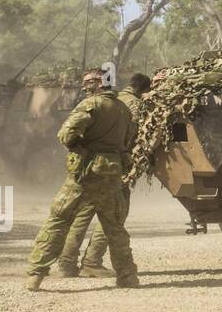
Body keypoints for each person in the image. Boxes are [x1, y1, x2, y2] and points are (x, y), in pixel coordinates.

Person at [25, 74, 138, 291]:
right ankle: (127, 277)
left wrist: (80, 147)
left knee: (58, 220)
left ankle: (36, 274)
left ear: (97, 85)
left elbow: (66, 135)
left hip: (84, 175)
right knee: (115, 228)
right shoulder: (123, 109)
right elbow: (128, 141)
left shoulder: (90, 105)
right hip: (112, 175)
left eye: (88, 83)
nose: (85, 87)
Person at [57, 72, 151, 277]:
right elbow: (131, 137)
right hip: (113, 167)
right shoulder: (131, 105)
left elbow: (70, 132)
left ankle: (66, 262)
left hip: (87, 166)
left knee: (83, 213)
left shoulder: (99, 102)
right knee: (114, 216)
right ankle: (92, 261)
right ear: (144, 90)